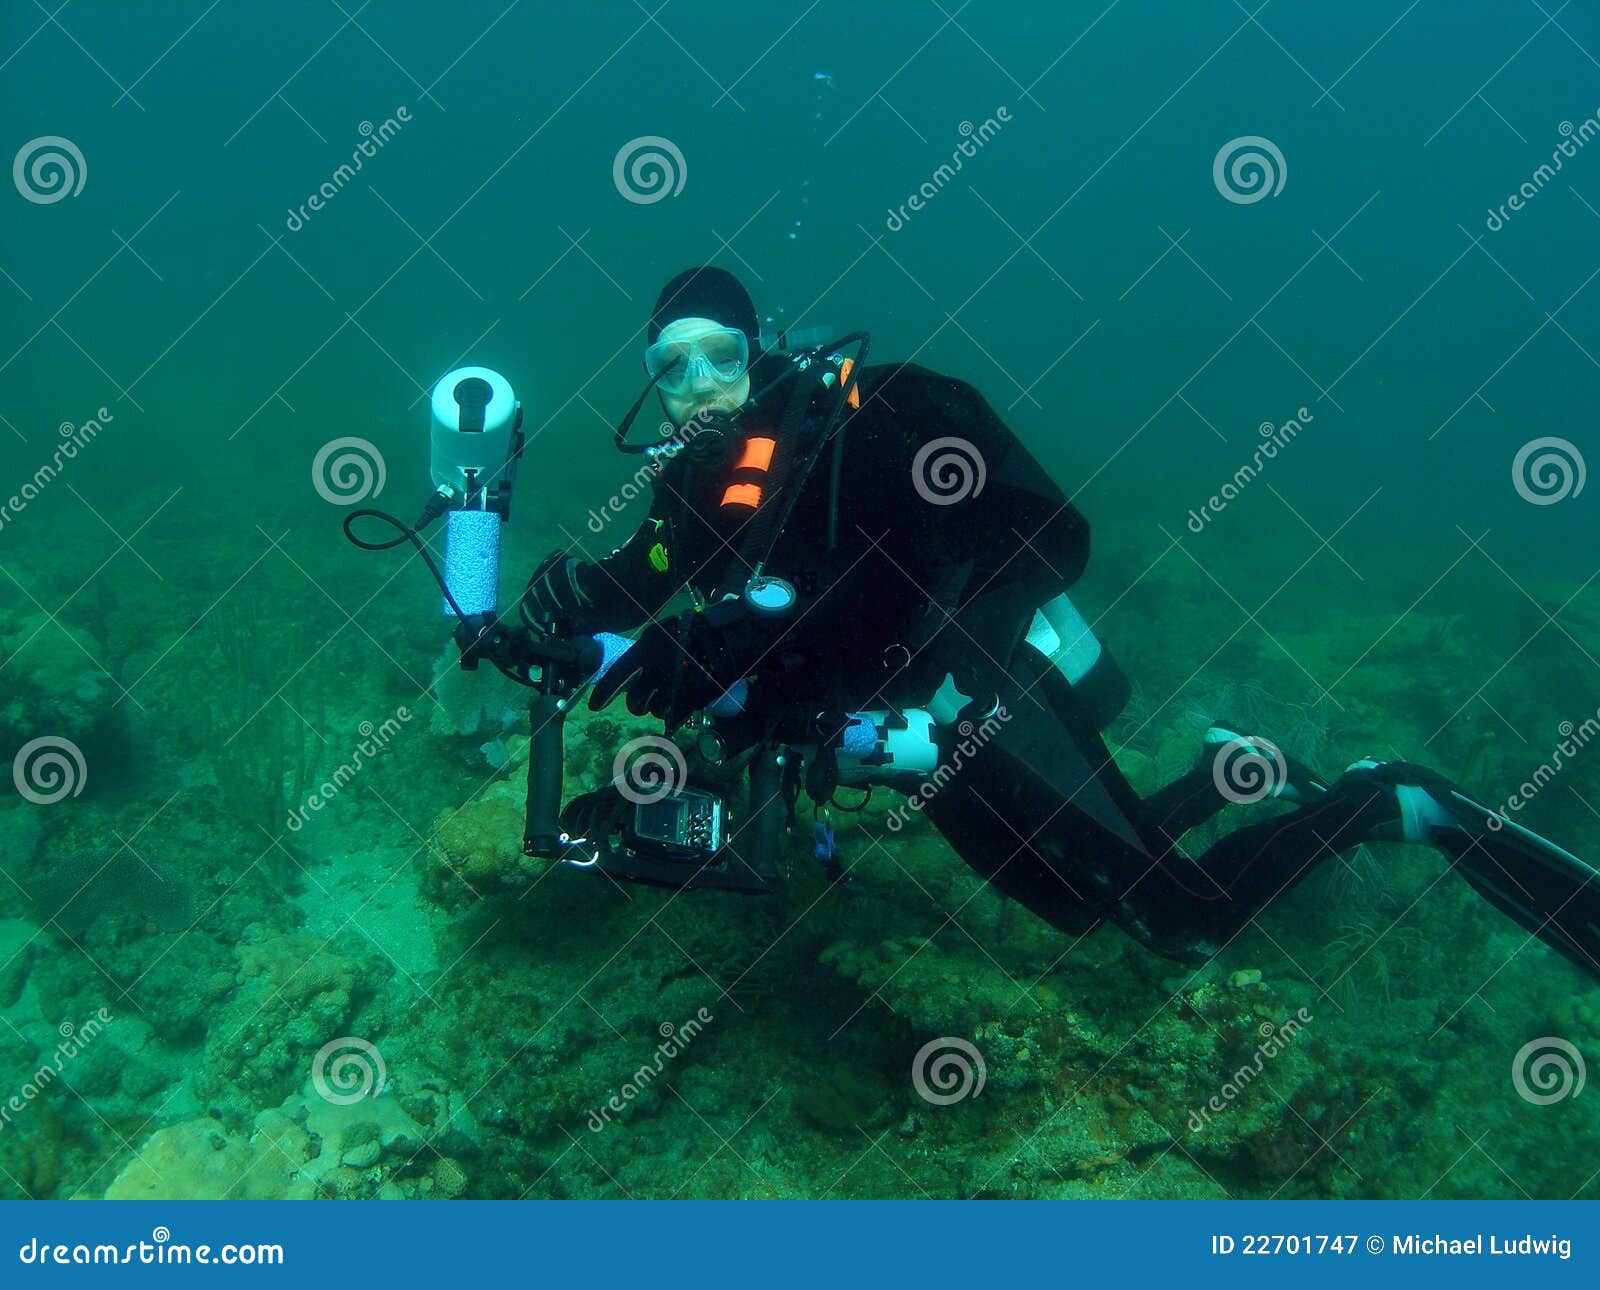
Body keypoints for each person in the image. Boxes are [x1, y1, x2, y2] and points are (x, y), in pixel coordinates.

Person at [524, 265, 1600, 978]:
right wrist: (548, 612)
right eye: (672, 368)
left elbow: (879, 580)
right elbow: (632, 586)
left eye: (722, 356)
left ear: (760, 353)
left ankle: (1395, 799)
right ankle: (1237, 771)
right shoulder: (689, 500)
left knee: (1179, 925)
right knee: (1083, 911)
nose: (702, 387)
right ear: (648, 387)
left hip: (982, 697)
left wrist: (713, 644)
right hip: (911, 744)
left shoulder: (852, 439)